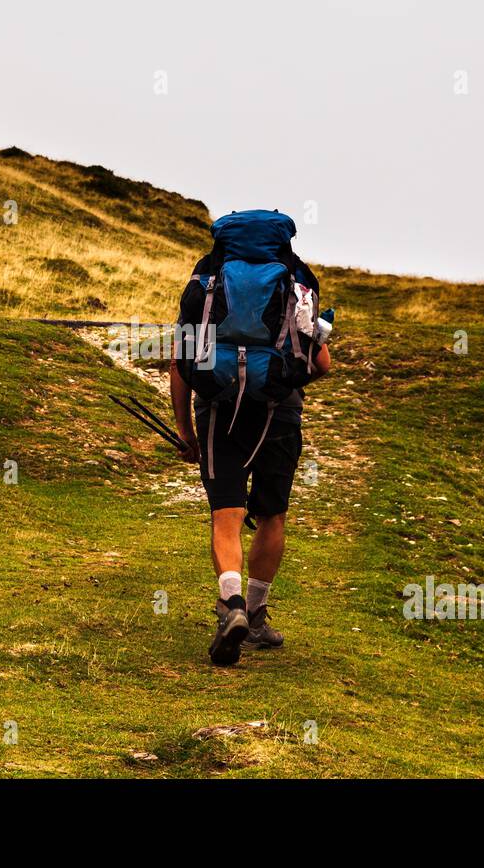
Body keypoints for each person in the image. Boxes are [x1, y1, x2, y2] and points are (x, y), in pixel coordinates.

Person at [170, 210, 332, 666]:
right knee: (271, 515)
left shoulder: (206, 282)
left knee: (226, 513)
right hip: (279, 413)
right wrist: (282, 383)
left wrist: (186, 431)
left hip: (219, 409)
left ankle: (232, 605)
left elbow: (181, 365)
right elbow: (321, 365)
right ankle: (256, 615)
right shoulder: (296, 284)